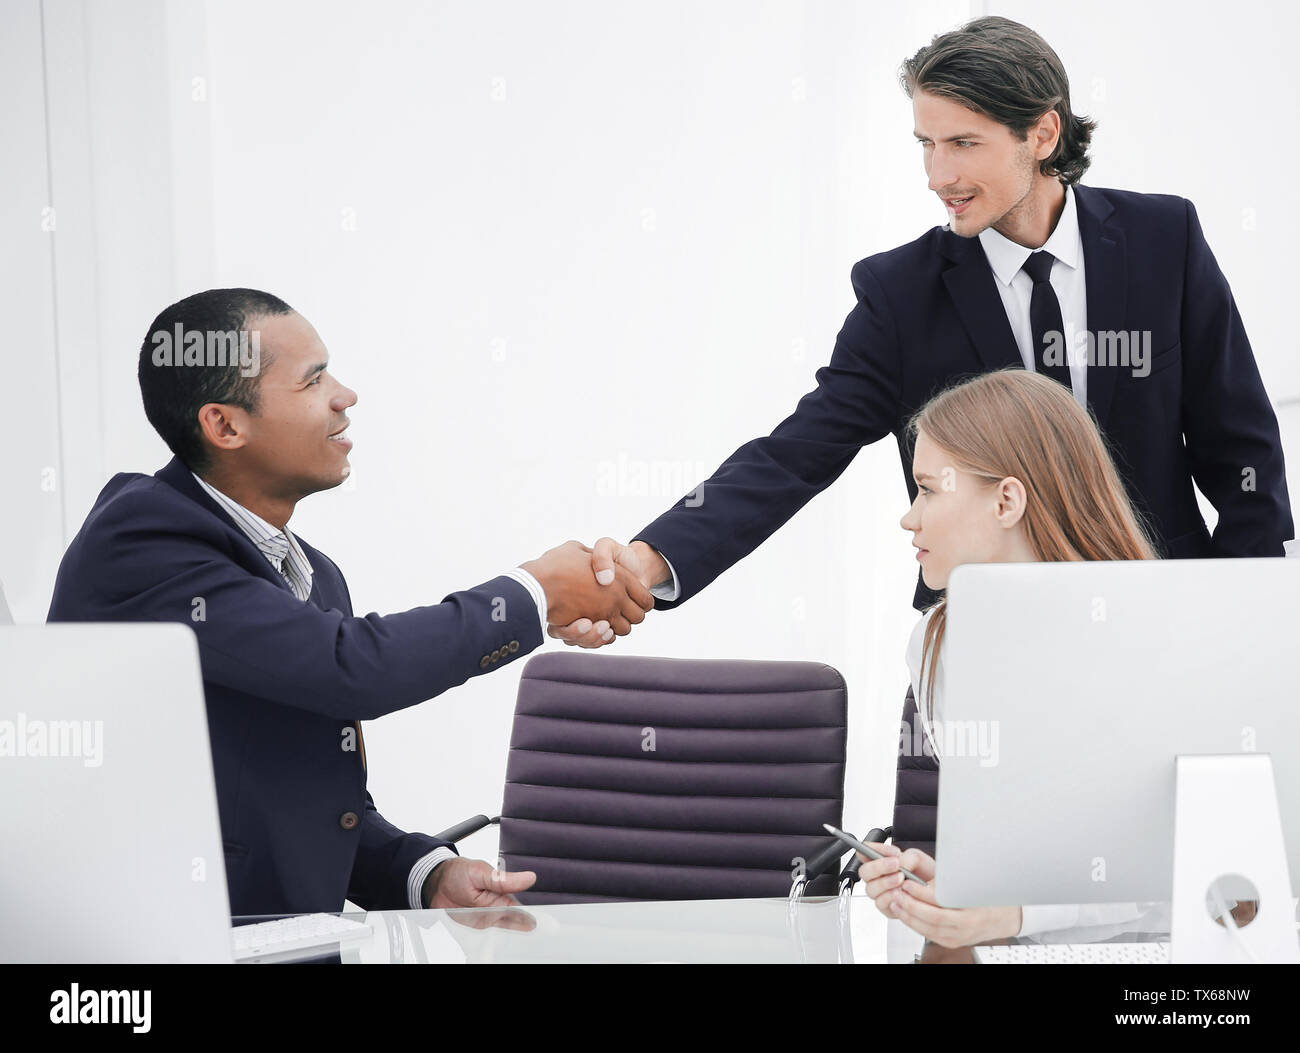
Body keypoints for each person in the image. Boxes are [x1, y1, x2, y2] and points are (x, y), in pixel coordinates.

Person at [549, 14, 1291, 641]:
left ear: (1042, 133)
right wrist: (651, 560)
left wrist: (1234, 619)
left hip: (1159, 617)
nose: (937, 176)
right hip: (983, 636)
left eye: (963, 143)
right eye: (925, 145)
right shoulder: (899, 295)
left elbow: (1242, 448)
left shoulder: (1165, 240)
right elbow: (791, 457)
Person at [46, 288, 653, 917]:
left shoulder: (312, 575)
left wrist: (421, 874)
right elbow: (354, 669)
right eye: (312, 383)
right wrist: (536, 594)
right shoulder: (142, 541)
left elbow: (298, 801)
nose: (345, 395)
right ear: (225, 425)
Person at [861, 367, 1165, 946]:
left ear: (1006, 501)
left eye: (927, 488)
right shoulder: (935, 644)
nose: (909, 516)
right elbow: (1026, 854)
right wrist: (948, 887)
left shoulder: (1148, 633)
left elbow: (1189, 875)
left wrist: (1017, 914)